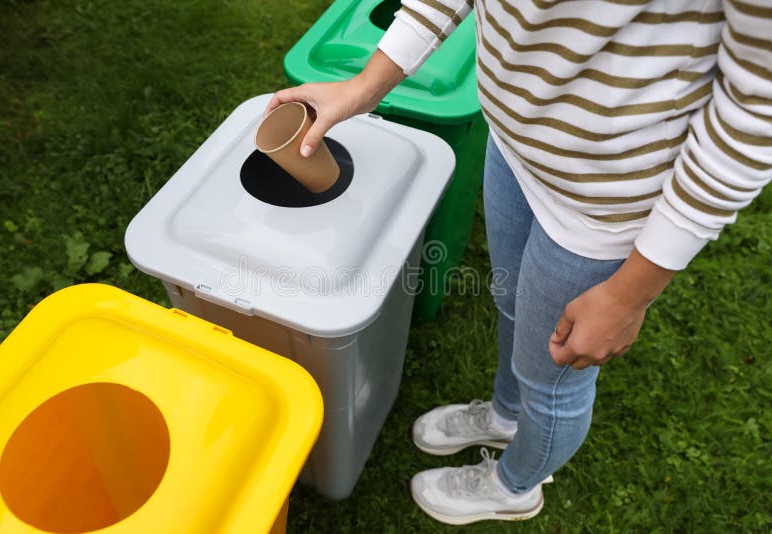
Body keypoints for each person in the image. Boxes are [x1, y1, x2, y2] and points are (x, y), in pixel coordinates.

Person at [266, 0, 771, 525]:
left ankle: (515, 486)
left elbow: (755, 113)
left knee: (553, 377)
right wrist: (364, 85)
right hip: (514, 146)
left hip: (602, 205)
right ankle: (507, 415)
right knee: (511, 301)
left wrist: (630, 293)